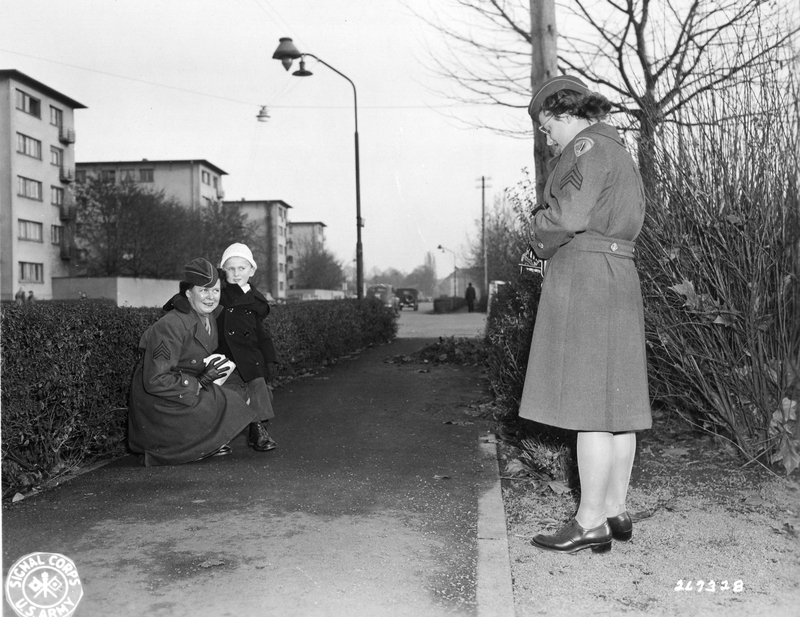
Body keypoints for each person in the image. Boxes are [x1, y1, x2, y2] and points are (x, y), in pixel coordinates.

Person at [520, 75, 651, 554]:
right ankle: (615, 508)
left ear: (563, 112)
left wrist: (535, 233)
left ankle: (590, 521)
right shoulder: (618, 149)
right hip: (619, 271)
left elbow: (568, 217)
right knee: (618, 408)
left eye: (544, 123)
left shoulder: (586, 148)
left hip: (587, 276)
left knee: (588, 406)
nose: (544, 135)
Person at [128, 258, 259, 466]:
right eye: (204, 291)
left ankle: (208, 440)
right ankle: (196, 444)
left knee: (242, 391)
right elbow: (155, 380)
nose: (211, 297)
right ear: (188, 293)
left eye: (215, 291)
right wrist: (200, 381)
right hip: (161, 401)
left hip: (184, 385)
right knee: (224, 401)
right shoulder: (170, 325)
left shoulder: (209, 316)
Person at [216, 243, 279, 452]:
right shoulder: (220, 294)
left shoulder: (254, 299)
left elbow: (260, 334)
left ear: (251, 271)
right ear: (223, 271)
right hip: (224, 353)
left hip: (249, 355)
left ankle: (258, 428)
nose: (236, 274)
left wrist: (270, 359)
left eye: (241, 268)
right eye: (230, 269)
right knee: (226, 394)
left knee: (258, 383)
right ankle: (218, 436)